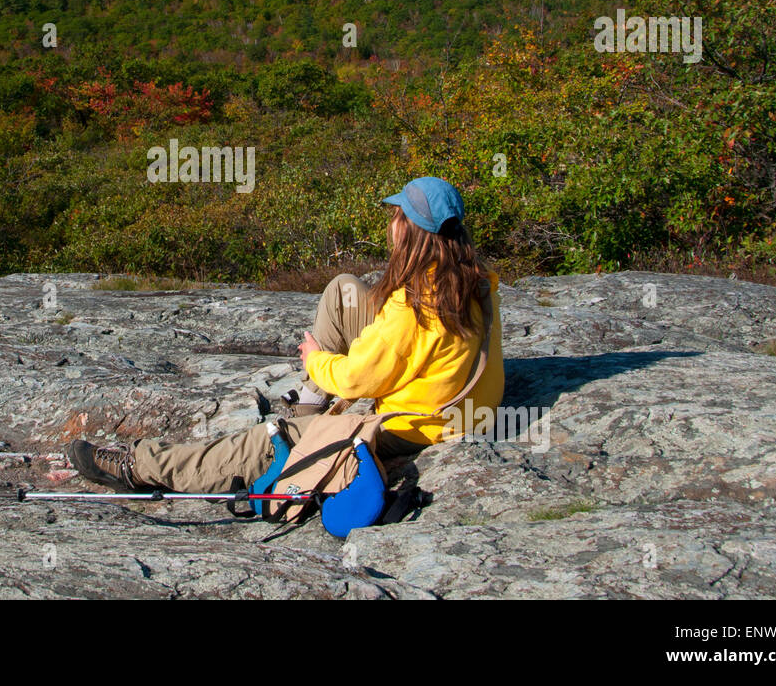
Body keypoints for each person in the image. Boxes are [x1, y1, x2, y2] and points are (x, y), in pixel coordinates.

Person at [68, 176, 505, 494]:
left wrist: (316, 359)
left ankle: (138, 467)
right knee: (344, 290)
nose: (391, 225)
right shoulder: (476, 282)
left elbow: (358, 380)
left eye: (397, 217)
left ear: (410, 231)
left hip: (410, 429)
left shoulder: (412, 306)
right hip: (456, 409)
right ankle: (311, 405)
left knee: (256, 444)